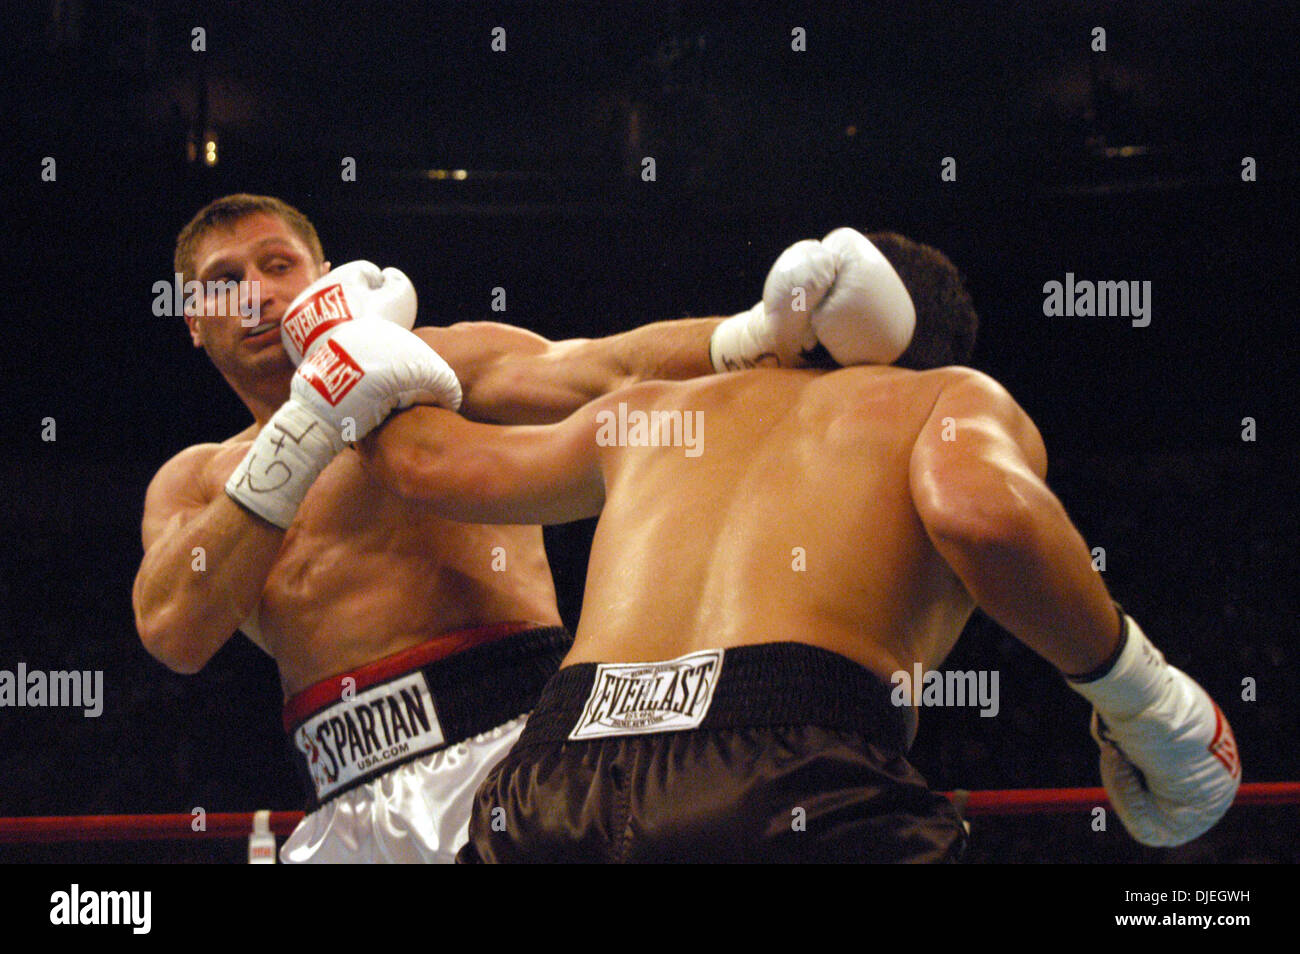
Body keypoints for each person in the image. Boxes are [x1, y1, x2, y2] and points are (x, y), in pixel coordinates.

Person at [357, 230, 1242, 862]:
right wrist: (1146, 700)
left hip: (550, 786)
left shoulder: (666, 410)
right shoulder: (940, 394)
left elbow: (428, 461)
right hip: (786, 782)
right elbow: (985, 515)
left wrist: (346, 349)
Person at [132, 193, 903, 862]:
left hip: (510, 756)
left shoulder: (426, 364)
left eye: (278, 265)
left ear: (322, 273)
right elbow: (175, 629)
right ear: (193, 321)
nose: (258, 293)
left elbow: (605, 369)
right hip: (340, 799)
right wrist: (308, 421)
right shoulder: (192, 480)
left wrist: (762, 332)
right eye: (224, 283)